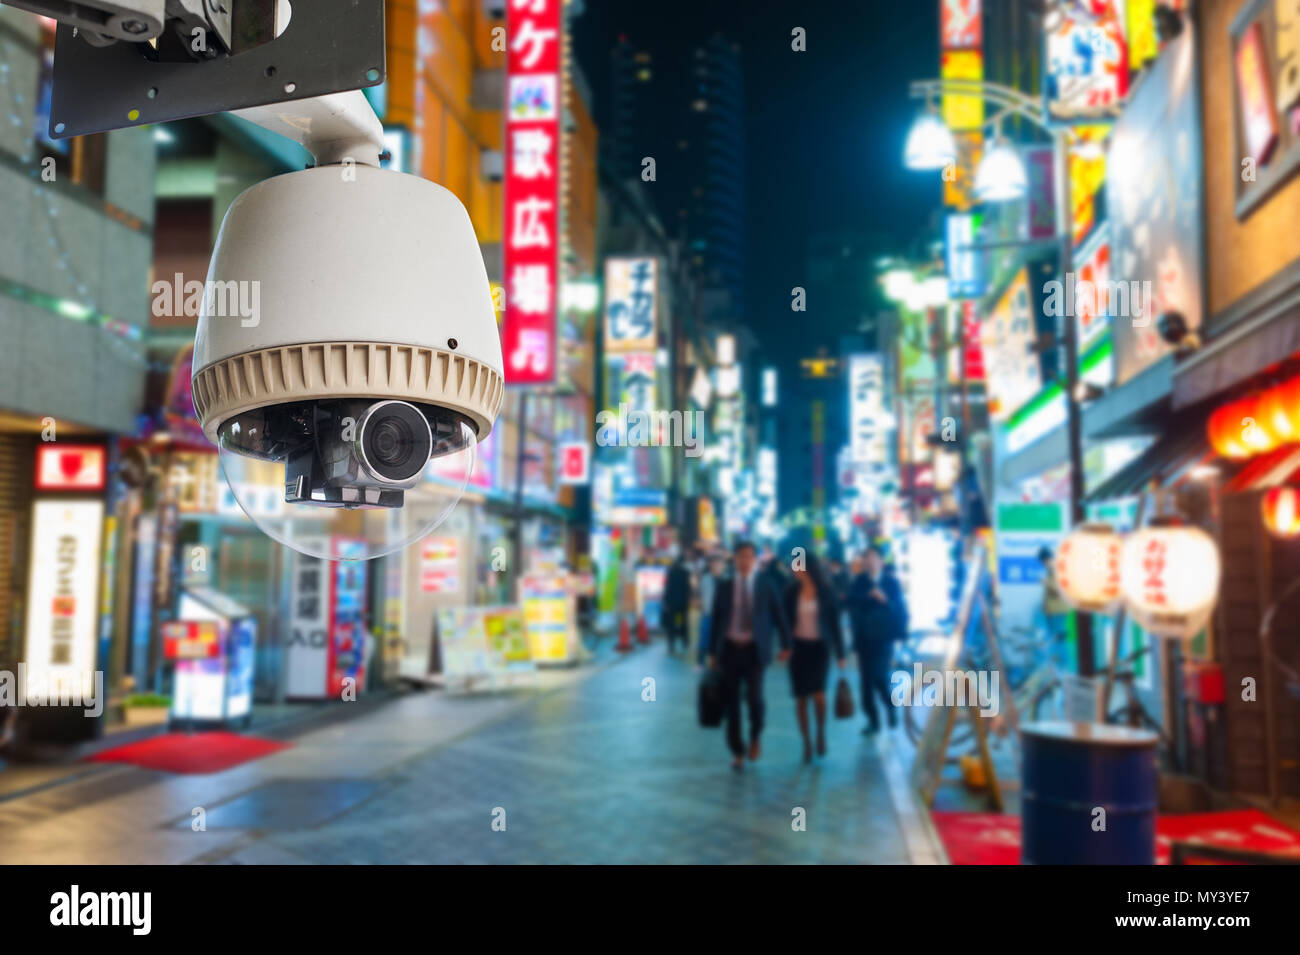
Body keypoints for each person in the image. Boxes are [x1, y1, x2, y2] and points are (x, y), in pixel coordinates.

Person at [708, 540, 792, 772]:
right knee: (732, 704)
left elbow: (779, 614)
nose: (745, 561)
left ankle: (755, 737)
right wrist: (711, 652)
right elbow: (716, 620)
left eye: (749, 556)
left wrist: (786, 643)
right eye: (740, 556)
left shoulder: (766, 584)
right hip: (730, 650)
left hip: (755, 651)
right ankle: (737, 750)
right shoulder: (724, 586)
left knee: (755, 699)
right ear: (734, 559)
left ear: (755, 559)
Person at [784, 553, 848, 762]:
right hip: (798, 649)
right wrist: (785, 647)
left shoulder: (826, 591)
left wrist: (840, 653)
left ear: (808, 566)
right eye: (794, 566)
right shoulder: (791, 591)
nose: (795, 570)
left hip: (820, 649)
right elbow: (783, 622)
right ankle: (807, 743)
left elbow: (835, 623)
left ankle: (820, 733)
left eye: (798, 566)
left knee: (819, 696)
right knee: (801, 697)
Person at [847, 545, 908, 735]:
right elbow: (850, 600)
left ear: (880, 561)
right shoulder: (859, 581)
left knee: (879, 676)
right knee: (866, 682)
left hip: (884, 638)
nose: (870, 561)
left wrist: (885, 600)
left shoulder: (891, 582)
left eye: (873, 557)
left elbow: (899, 606)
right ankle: (873, 720)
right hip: (864, 638)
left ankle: (890, 706)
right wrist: (868, 596)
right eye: (867, 558)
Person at [1038, 546, 1070, 667]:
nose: (1043, 564)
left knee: (1058, 638)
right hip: (1053, 610)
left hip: (1058, 610)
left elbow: (1060, 588)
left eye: (1043, 562)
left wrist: (1046, 582)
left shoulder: (1056, 568)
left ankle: (1062, 664)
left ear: (1046, 559)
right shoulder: (1052, 568)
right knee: (1055, 638)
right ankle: (1058, 664)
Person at [662, 551, 692, 653]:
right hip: (683, 601)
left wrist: (665, 601)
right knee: (684, 622)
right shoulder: (686, 572)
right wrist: (689, 599)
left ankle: (671, 644)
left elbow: (667, 588)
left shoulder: (670, 572)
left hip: (672, 601)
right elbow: (688, 588)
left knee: (671, 623)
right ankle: (685, 642)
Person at [695, 555, 720, 665]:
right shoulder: (705, 579)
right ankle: (700, 662)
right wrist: (700, 603)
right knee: (704, 638)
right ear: (710, 565)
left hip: (720, 615)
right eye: (713, 563)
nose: (715, 566)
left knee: (719, 639)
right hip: (707, 613)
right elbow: (700, 593)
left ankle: (718, 661)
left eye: (717, 563)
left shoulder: (725, 579)